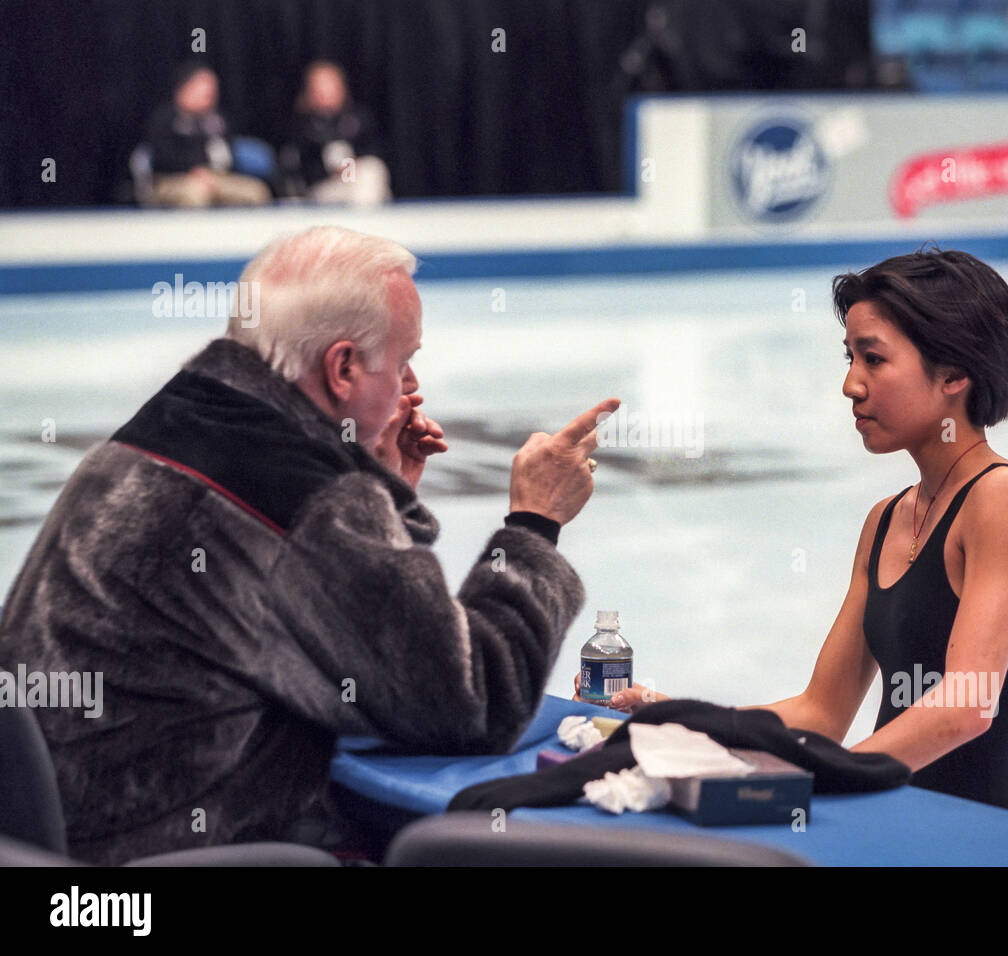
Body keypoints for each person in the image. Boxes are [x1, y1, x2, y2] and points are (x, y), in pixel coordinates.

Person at [0, 226, 618, 864]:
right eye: (403, 360)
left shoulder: (158, 431)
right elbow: (478, 700)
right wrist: (534, 526)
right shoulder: (304, 497)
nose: (411, 383)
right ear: (343, 367)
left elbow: (321, 623)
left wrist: (381, 490)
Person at [581, 248, 1008, 817]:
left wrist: (830, 779)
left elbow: (967, 704)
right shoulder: (886, 519)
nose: (851, 385)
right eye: (850, 357)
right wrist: (694, 722)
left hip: (978, 841)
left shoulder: (1004, 498)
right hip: (885, 818)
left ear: (953, 374)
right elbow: (822, 710)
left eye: (874, 360)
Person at [143, 61, 272, 207]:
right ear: (184, 89)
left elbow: (229, 155)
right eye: (203, 87)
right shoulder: (164, 120)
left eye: (213, 88)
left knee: (256, 192)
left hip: (215, 177)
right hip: (175, 179)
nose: (210, 93)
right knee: (195, 195)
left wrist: (214, 173)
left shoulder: (217, 120)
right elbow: (162, 158)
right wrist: (194, 170)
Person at [281, 60, 391, 205]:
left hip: (358, 183)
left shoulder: (359, 119)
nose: (325, 91)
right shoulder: (299, 125)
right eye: (320, 86)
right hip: (320, 193)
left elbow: (375, 154)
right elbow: (295, 170)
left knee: (371, 173)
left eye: (330, 85)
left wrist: (349, 165)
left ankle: (364, 223)